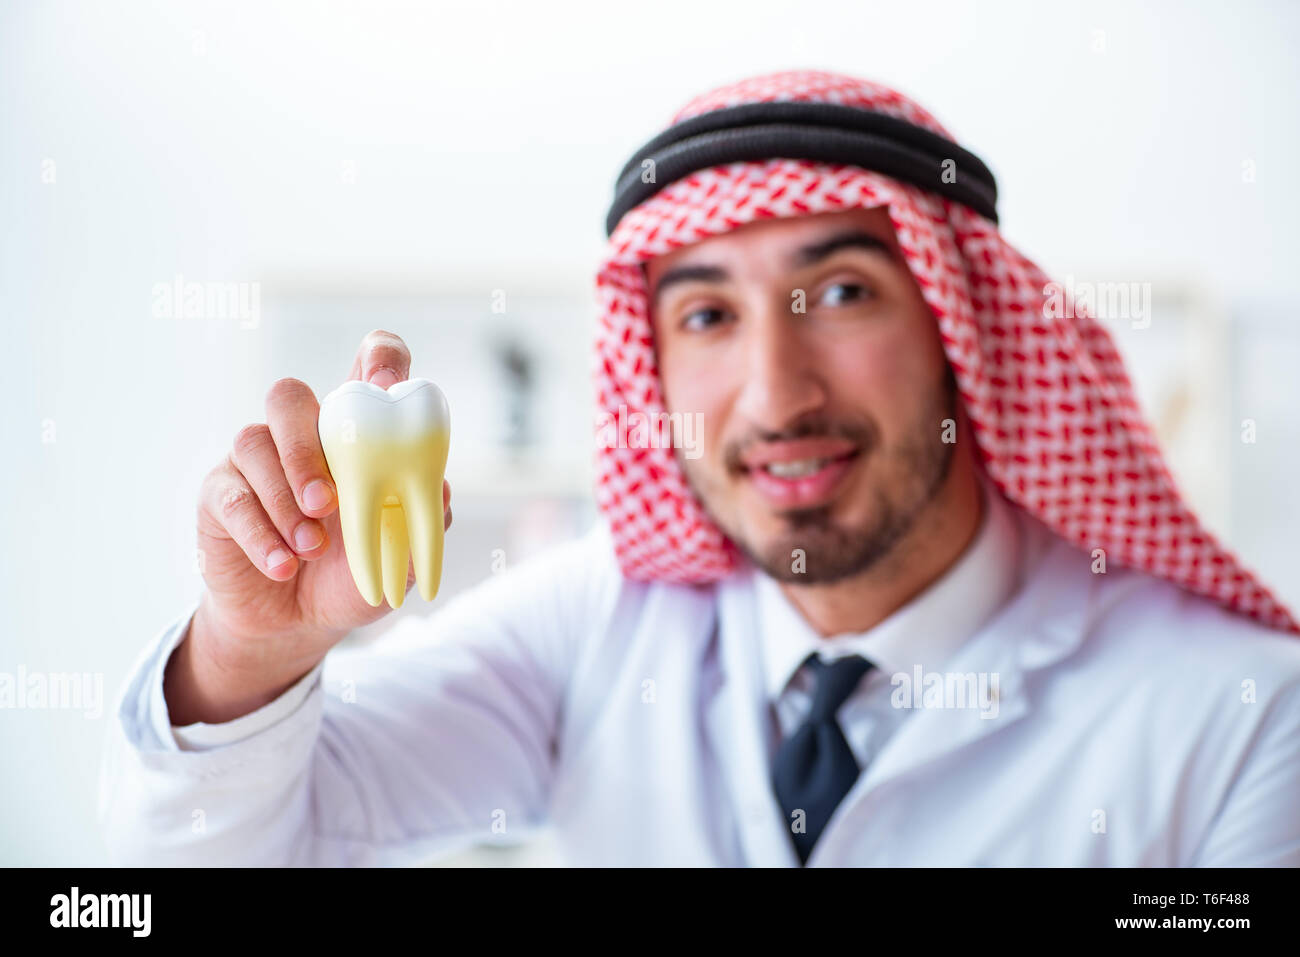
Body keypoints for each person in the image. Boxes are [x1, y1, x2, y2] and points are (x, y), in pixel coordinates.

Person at [99, 70, 1300, 867]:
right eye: (708, 317)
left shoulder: (1240, 720)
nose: (776, 396)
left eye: (838, 293)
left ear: (962, 329)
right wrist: (250, 656)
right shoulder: (594, 626)